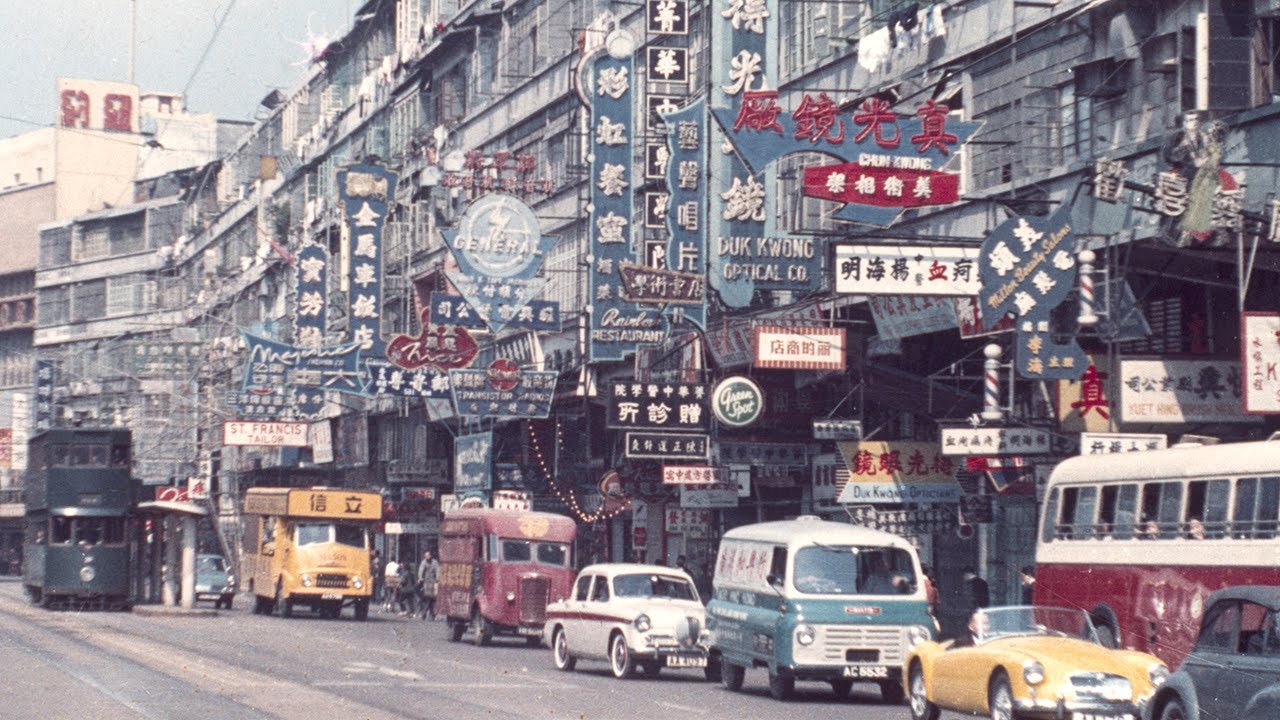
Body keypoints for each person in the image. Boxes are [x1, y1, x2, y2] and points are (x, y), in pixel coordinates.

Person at [417, 550, 439, 620]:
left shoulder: (435, 562)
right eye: (426, 556)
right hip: (426, 583)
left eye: (428, 555)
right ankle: (426, 614)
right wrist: (420, 578)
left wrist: (438, 579)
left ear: (431, 555)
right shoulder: (424, 562)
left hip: (433, 582)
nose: (427, 557)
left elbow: (438, 571)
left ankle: (430, 614)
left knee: (432, 600)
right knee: (428, 599)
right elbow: (421, 570)